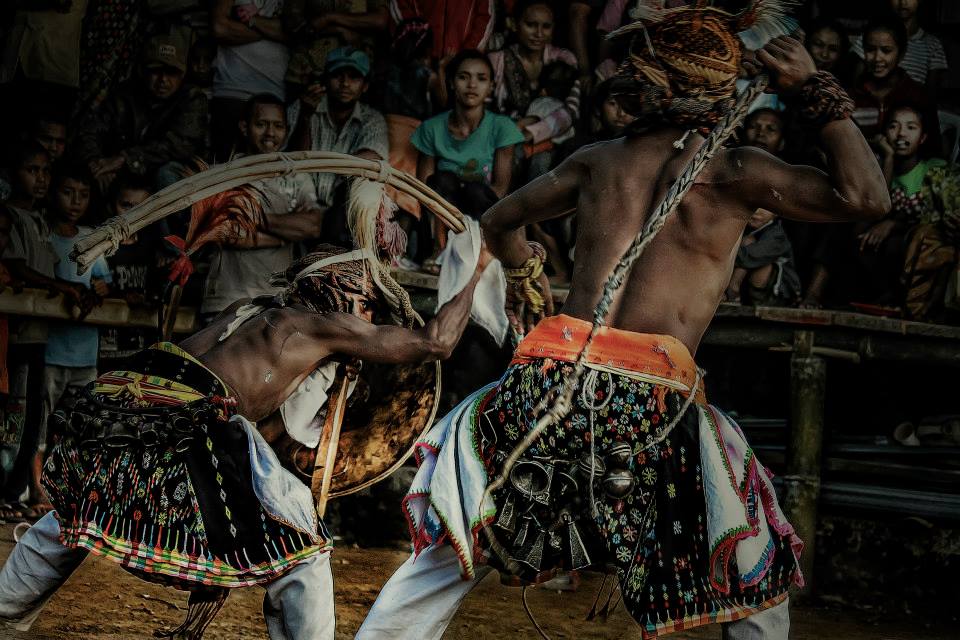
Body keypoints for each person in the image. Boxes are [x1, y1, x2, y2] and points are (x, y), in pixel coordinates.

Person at [358, 6, 890, 639]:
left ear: (647, 84)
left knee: (451, 551)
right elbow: (868, 199)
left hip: (550, 384)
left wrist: (525, 267)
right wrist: (815, 92)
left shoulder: (599, 160)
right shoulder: (737, 174)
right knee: (754, 575)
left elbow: (497, 222)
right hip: (653, 403)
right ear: (719, 91)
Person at [0, 244, 489, 639]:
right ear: (336, 293)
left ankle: (4, 607)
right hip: (189, 414)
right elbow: (436, 342)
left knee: (81, 510)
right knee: (303, 545)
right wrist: (476, 265)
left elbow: (247, 426)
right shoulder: (317, 323)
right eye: (365, 303)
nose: (367, 317)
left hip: (133, 393)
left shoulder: (249, 310)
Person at [0, 144, 89, 523]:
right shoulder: (10, 217)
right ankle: (6, 490)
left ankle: (16, 490)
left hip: (39, 336)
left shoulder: (40, 220)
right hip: (16, 335)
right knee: (13, 415)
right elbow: (16, 265)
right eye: (31, 169)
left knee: (31, 418)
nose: (39, 178)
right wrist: (63, 287)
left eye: (44, 171)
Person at [203, 93, 325, 319]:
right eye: (261, 124)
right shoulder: (223, 174)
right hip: (228, 299)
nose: (270, 133)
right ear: (244, 127)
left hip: (278, 300)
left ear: (286, 130)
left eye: (278, 126)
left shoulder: (295, 176)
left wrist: (252, 216)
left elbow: (312, 227)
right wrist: (286, 235)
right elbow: (229, 234)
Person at [41, 165, 112, 518]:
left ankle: (70, 492)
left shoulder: (92, 239)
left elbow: (104, 283)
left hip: (85, 352)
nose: (75, 201)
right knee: (42, 425)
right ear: (53, 193)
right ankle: (36, 490)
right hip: (52, 349)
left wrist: (101, 288)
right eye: (68, 192)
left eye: (83, 194)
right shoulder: (45, 237)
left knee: (79, 426)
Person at [412, 50, 524, 270]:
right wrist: (449, 215)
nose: (472, 85)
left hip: (481, 211)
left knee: (474, 190)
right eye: (464, 77)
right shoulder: (431, 128)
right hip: (442, 213)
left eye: (481, 78)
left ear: (492, 85)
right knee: (441, 181)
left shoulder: (502, 128)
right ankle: (439, 250)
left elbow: (500, 188)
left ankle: (481, 252)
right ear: (452, 83)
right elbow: (423, 189)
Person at [74, 33, 209, 193]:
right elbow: (90, 131)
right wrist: (95, 164)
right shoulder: (124, 94)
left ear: (182, 74)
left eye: (171, 72)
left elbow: (177, 146)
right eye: (156, 71)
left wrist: (125, 158)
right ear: (143, 71)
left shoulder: (192, 98)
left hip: (170, 173)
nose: (163, 79)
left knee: (166, 174)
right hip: (126, 171)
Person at [488, 0, 580, 180]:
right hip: (505, 139)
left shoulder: (564, 59)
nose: (538, 33)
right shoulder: (498, 60)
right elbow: (486, 107)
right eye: (531, 25)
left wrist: (532, 129)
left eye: (546, 26)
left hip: (551, 141)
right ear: (514, 24)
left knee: (543, 160)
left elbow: (571, 112)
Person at [288, 47, 389, 208]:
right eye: (337, 75)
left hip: (342, 209)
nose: (345, 83)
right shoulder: (301, 108)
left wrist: (316, 162)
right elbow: (292, 160)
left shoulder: (372, 119)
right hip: (298, 203)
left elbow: (371, 161)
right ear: (325, 81)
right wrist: (305, 117)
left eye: (354, 77)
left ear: (365, 86)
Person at [849, 16, 940, 159]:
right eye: (871, 49)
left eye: (886, 50)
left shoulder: (917, 96)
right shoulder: (851, 95)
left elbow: (933, 150)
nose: (877, 58)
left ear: (901, 54)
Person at [211, 0, 289, 160]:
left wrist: (253, 21)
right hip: (232, 91)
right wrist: (274, 30)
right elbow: (220, 28)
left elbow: (296, 31)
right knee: (225, 171)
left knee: (268, 172)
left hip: (274, 95)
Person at [98, 174, 158, 370]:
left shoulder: (151, 246)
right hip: (105, 342)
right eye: (126, 206)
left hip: (141, 341)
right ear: (110, 206)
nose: (133, 215)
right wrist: (120, 295)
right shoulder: (100, 247)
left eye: (141, 208)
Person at [851, 0, 948, 95]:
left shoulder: (933, 44)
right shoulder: (870, 38)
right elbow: (857, 86)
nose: (902, 2)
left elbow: (931, 94)